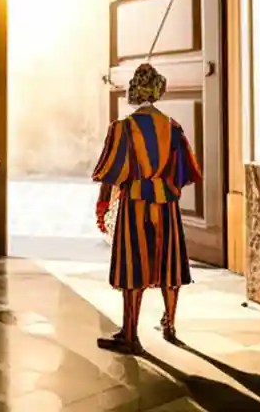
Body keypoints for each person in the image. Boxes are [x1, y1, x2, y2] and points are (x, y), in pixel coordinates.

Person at [91, 63, 202, 355]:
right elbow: (184, 173)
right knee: (169, 263)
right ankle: (170, 323)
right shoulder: (173, 127)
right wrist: (164, 188)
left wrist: (103, 206)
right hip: (165, 204)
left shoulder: (122, 128)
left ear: (133, 91)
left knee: (133, 265)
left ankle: (130, 333)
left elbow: (111, 174)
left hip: (135, 203)